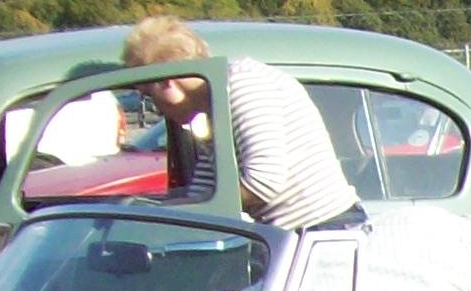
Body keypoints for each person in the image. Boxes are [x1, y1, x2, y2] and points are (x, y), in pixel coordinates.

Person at [121, 17, 360, 230]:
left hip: (324, 232)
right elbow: (203, 190)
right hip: (298, 233)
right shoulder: (216, 103)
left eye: (149, 95)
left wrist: (200, 207)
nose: (156, 107)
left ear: (167, 83)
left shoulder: (242, 85)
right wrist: (153, 211)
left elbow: (263, 182)